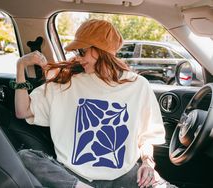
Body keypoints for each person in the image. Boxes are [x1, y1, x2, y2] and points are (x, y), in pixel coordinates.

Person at [15, 19, 177, 188]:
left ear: (100, 51)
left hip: (123, 177)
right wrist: (20, 67)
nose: (78, 57)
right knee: (25, 157)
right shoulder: (66, 83)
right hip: (74, 176)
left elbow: (147, 137)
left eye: (81, 51)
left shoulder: (138, 86)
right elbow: (22, 111)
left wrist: (148, 164)